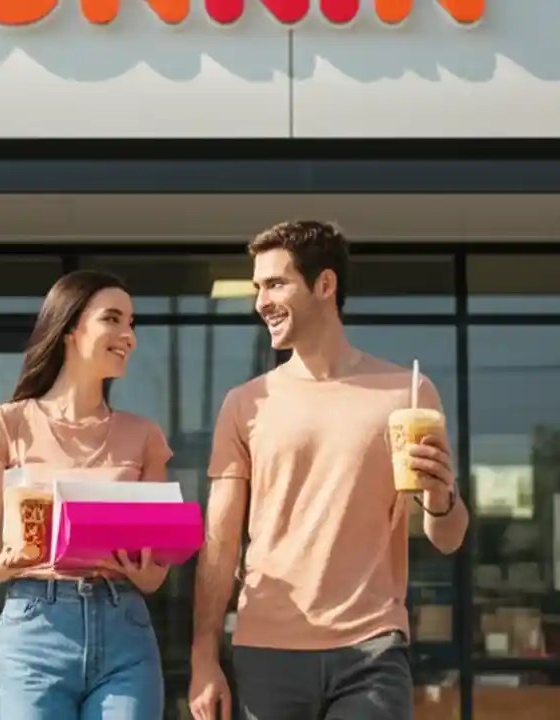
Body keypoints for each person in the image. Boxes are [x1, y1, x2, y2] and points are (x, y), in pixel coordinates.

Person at [187, 220, 470, 720]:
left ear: (324, 285)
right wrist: (204, 656)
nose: (260, 302)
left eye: (275, 283)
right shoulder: (246, 403)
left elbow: (446, 537)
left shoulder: (408, 394)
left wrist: (442, 496)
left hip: (371, 649)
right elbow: (221, 540)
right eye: (257, 288)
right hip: (268, 650)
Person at [0, 269, 174, 719]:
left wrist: (135, 568)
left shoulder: (145, 437)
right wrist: (8, 561)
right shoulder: (3, 425)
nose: (128, 335)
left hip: (125, 632)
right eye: (112, 319)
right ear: (69, 329)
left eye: (132, 323)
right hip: (35, 633)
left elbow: (156, 574)